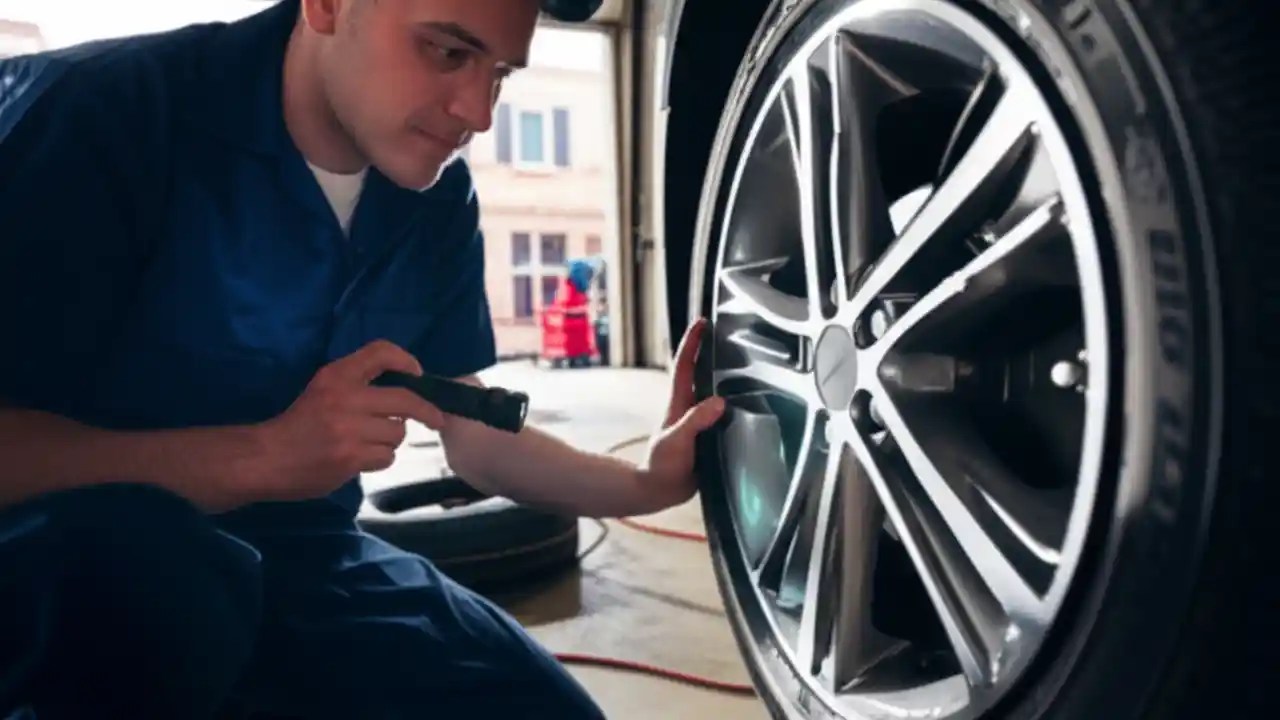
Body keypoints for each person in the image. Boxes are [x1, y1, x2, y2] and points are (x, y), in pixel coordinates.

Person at [0, 0, 726, 718]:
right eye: (447, 52)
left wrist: (641, 481)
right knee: (171, 598)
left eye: (499, 73)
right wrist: (261, 456)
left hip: (301, 558)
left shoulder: (433, 196)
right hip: (60, 570)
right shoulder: (95, 115)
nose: (478, 112)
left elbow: (467, 427)